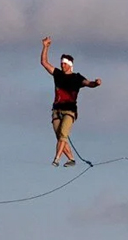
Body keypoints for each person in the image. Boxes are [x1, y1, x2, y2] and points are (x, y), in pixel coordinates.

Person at [40, 36, 101, 167]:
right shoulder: (57, 74)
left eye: (64, 63)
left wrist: (95, 83)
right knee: (60, 137)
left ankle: (56, 159)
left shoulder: (76, 78)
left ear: (70, 65)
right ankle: (71, 159)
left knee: (63, 135)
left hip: (69, 111)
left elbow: (88, 83)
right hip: (56, 110)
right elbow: (44, 63)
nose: (62, 65)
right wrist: (45, 47)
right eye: (61, 63)